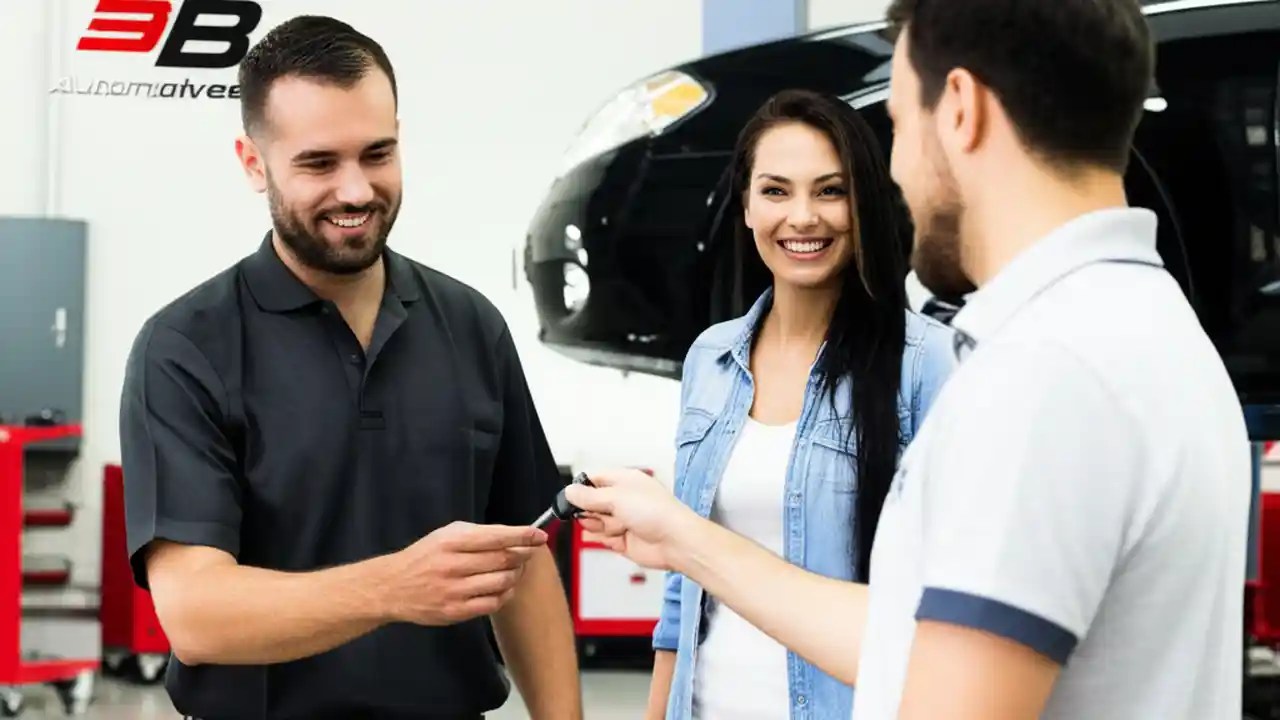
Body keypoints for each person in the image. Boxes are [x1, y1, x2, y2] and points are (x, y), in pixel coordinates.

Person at [568, 1, 1252, 719]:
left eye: (897, 123)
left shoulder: (1042, 374)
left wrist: (687, 541)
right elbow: (916, 646)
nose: (894, 169)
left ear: (959, 109)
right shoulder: (1155, 331)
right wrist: (685, 540)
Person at [118, 15, 581, 720]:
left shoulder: (470, 325)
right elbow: (196, 613)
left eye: (378, 153)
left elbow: (523, 562)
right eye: (319, 163)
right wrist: (396, 587)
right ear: (253, 164)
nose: (357, 190)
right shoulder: (184, 348)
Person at [644, 89, 955, 720]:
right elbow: (684, 588)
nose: (803, 217)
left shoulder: (928, 362)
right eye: (777, 191)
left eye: (830, 191)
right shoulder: (712, 357)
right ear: (747, 206)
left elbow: (944, 603)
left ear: (863, 201)